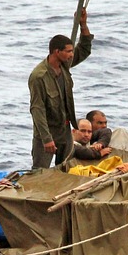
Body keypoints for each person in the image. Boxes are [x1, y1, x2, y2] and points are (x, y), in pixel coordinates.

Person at [28, 9, 93, 168]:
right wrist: (46, 138)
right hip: (47, 132)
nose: (72, 54)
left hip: (64, 130)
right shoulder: (39, 76)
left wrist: (83, 25)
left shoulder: (64, 65)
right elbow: (37, 110)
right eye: (69, 51)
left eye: (72, 51)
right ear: (57, 52)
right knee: (39, 172)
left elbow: (84, 49)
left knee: (66, 168)